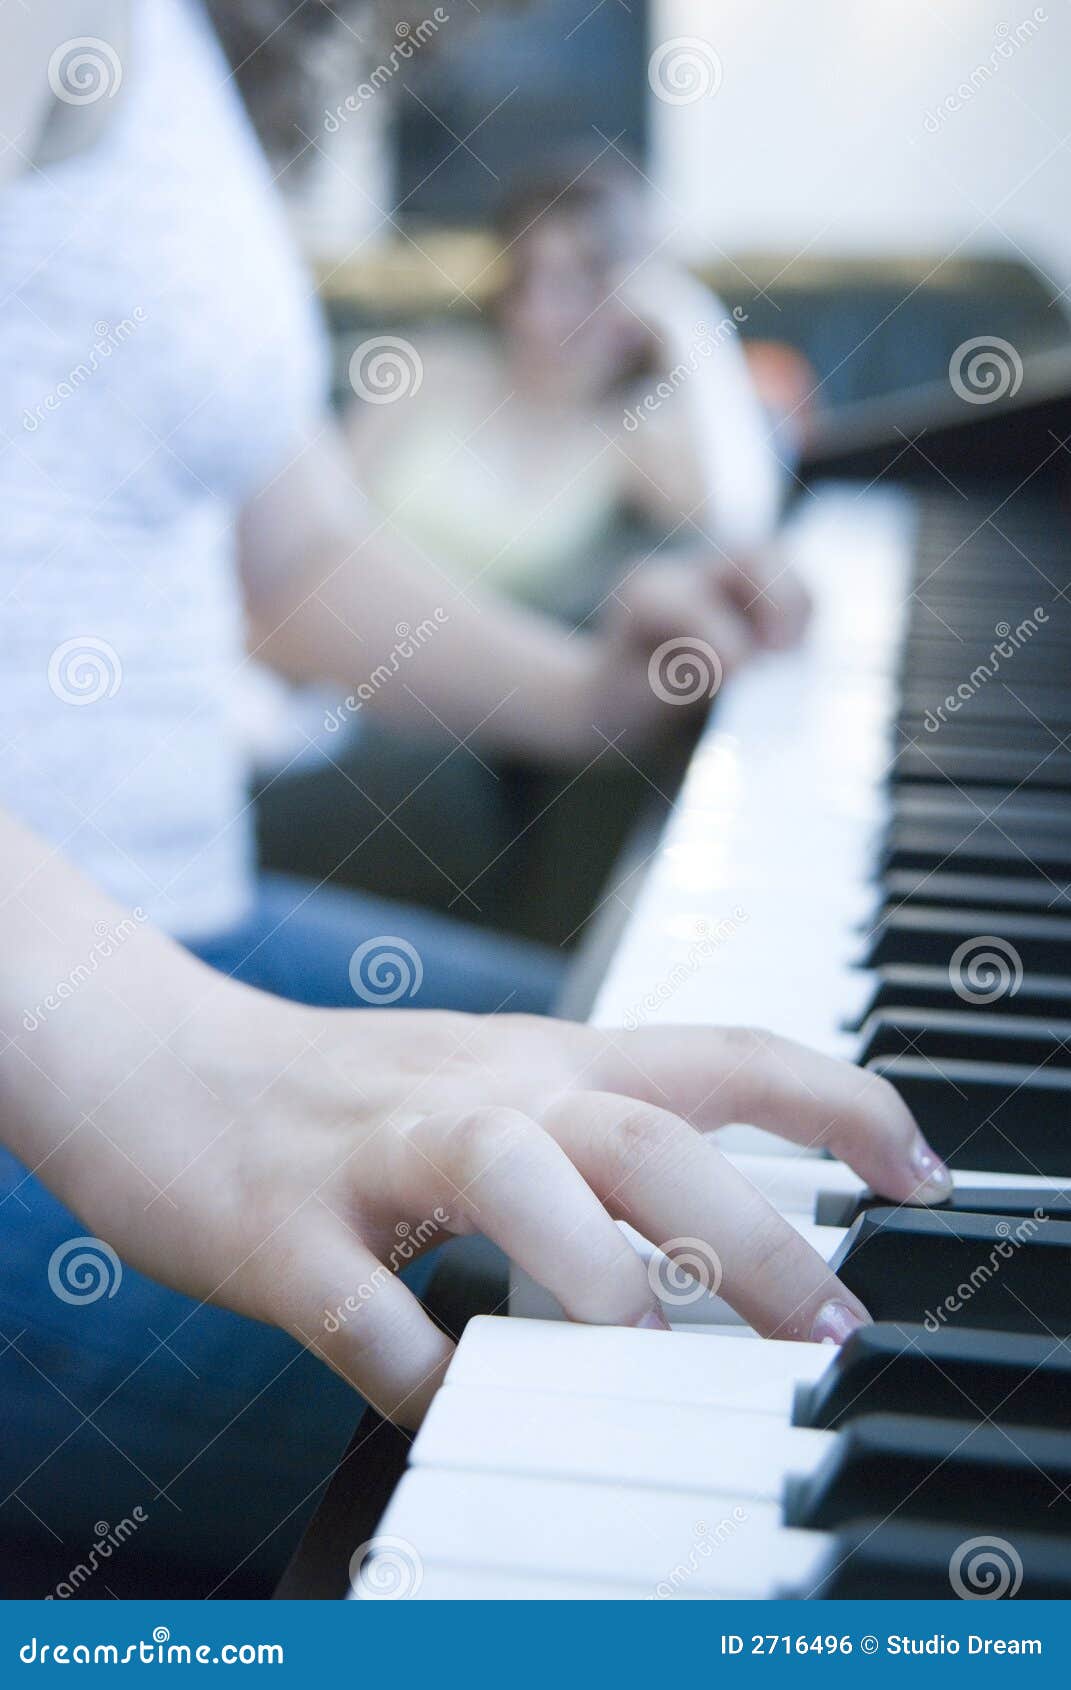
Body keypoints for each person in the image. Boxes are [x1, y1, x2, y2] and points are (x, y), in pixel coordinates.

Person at [0, 0, 952, 1596]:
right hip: (55, 1038)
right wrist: (172, 1054)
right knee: (678, 1392)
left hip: (174, 925)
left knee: (743, 1137)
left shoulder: (171, 57)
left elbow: (293, 559)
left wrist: (589, 691)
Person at [346, 155, 816, 619]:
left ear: (626, 296)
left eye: (572, 284)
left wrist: (687, 321)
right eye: (527, 275)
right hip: (339, 638)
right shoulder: (432, 368)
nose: (537, 310)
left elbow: (738, 524)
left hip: (485, 666)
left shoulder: (631, 435)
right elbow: (324, 514)